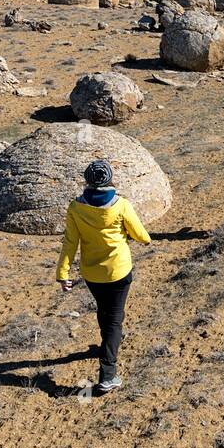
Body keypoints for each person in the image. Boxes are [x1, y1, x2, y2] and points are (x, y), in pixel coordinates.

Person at [56, 159, 150, 394]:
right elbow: (140, 234)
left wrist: (62, 272)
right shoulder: (121, 205)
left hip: (92, 273)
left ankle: (110, 340)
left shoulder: (76, 208)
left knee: (103, 310)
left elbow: (70, 242)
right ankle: (108, 374)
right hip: (118, 271)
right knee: (115, 318)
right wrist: (143, 239)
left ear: (87, 181)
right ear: (109, 179)